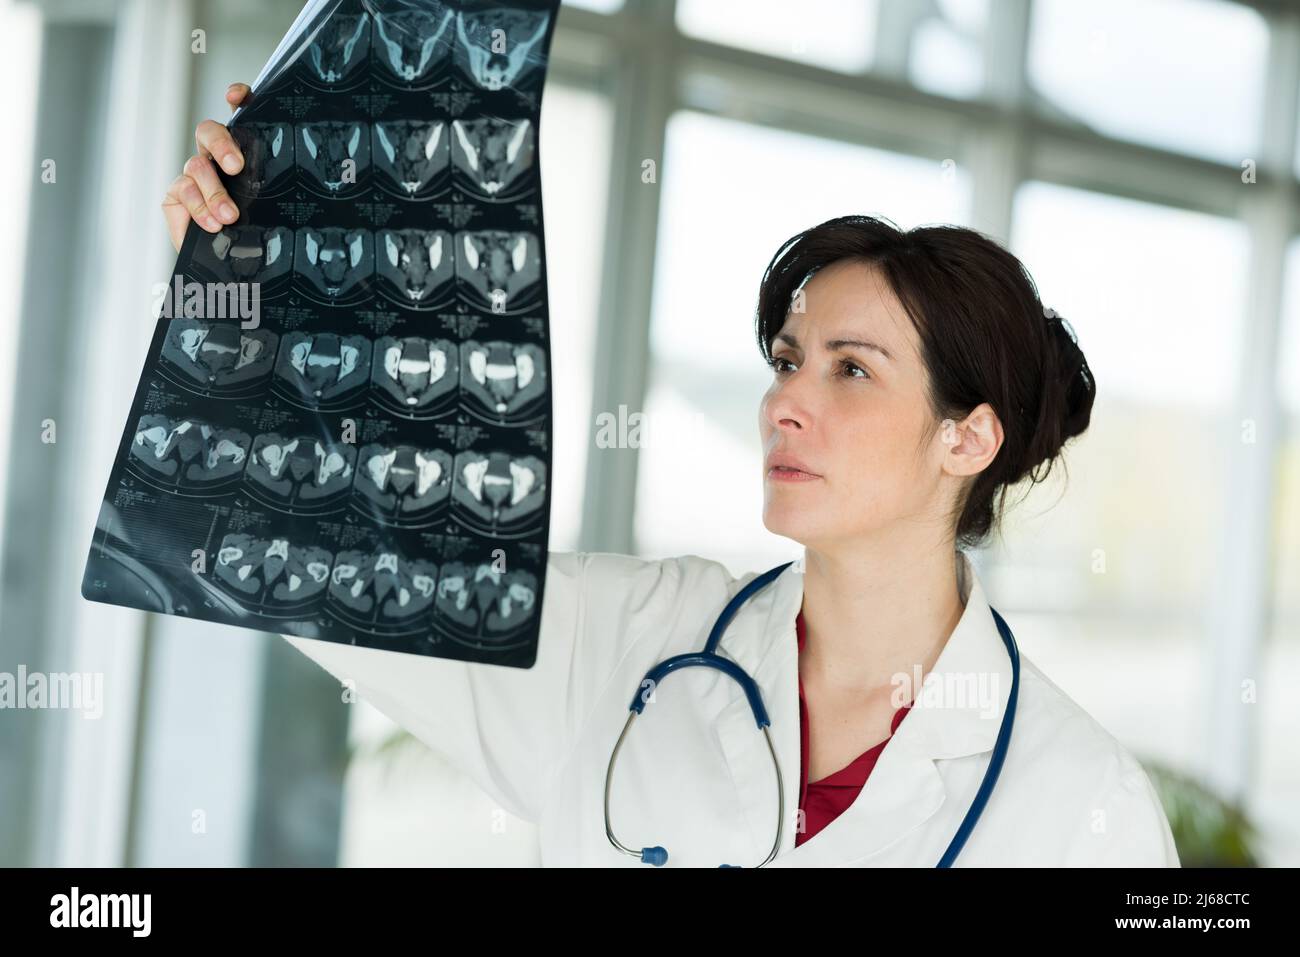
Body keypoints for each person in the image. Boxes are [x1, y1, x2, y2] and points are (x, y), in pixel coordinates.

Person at [161, 82, 1181, 867]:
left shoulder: (1081, 802)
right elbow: (317, 564)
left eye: (851, 370)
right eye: (786, 361)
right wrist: (235, 297)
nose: (784, 403)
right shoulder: (629, 639)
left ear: (967, 439)